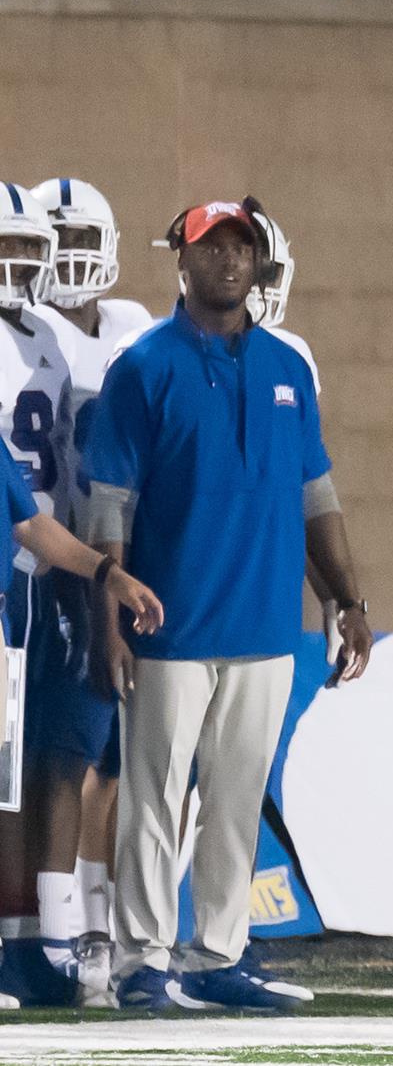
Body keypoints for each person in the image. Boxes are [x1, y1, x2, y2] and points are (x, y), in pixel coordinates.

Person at [83, 198, 371, 1012]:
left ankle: (216, 951)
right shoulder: (143, 366)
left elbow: (317, 492)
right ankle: (143, 958)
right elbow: (109, 503)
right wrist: (111, 614)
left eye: (241, 247)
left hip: (266, 622)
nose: (229, 261)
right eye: (212, 248)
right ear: (182, 259)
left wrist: (347, 596)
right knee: (154, 798)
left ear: (259, 261)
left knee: (239, 795)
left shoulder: (287, 367)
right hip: (167, 624)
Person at [27, 177, 155, 1003]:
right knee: (60, 756)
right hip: (52, 567)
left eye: (84, 242)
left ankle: (103, 927)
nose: (72, 263)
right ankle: (56, 929)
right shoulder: (27, 331)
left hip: (124, 560)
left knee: (120, 760)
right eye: (55, 243)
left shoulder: (137, 329)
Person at [0, 183, 84, 1007]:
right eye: (7, 245)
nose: (19, 263)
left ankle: (24, 938)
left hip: (35, 570)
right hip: (12, 560)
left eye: (29, 247)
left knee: (18, 767)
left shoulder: (51, 340)